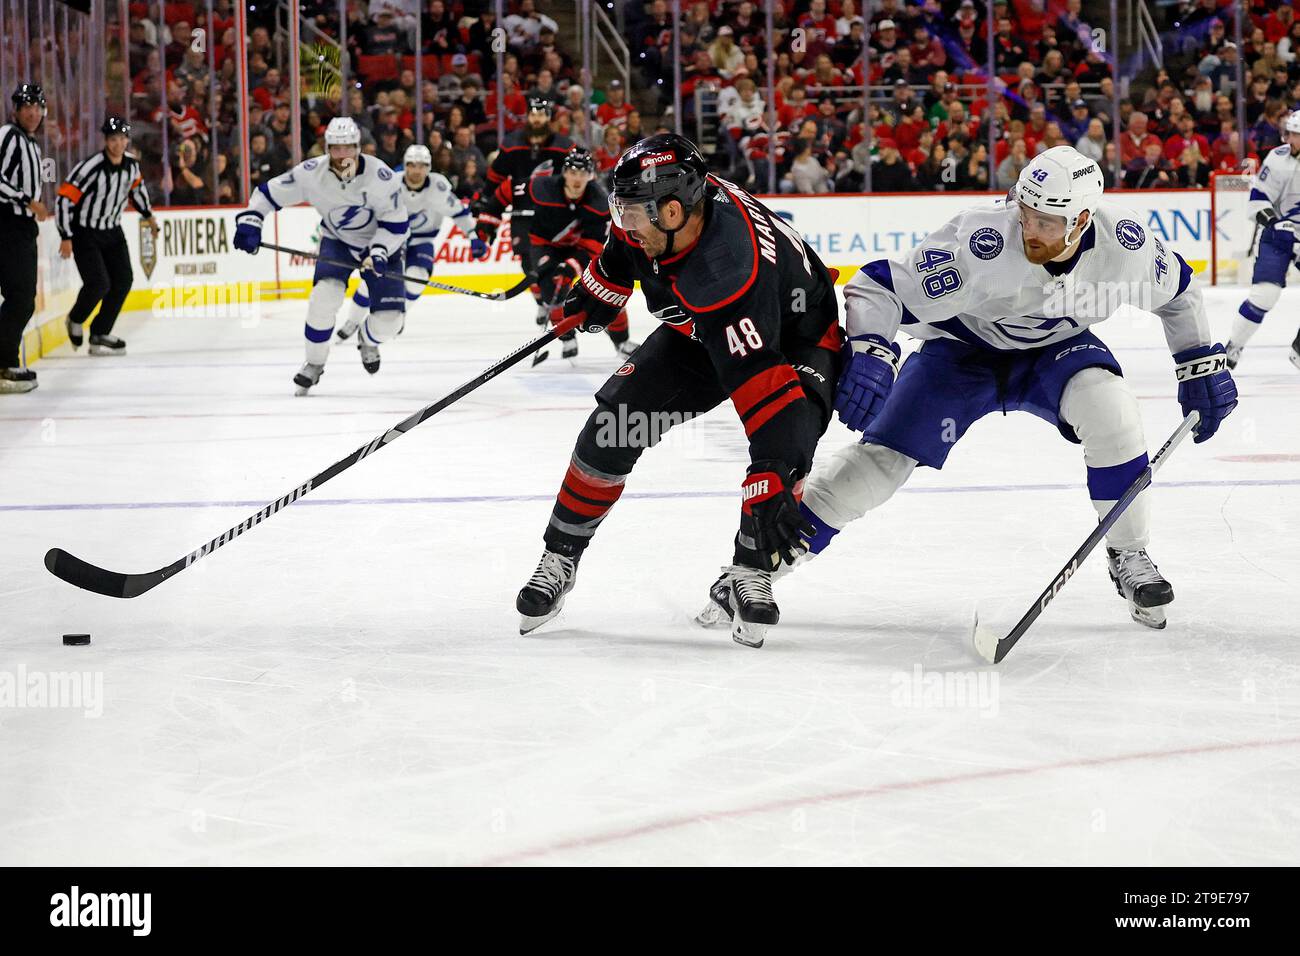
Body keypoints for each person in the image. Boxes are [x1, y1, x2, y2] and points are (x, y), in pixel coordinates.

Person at [766, 146, 1237, 633]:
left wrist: (1199, 363)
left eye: (1046, 222)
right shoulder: (981, 240)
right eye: (1026, 213)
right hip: (961, 353)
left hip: (1056, 352)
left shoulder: (1124, 246)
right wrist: (872, 351)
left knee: (1112, 411)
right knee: (880, 463)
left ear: (1081, 220)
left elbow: (1179, 293)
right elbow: (879, 285)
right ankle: (763, 561)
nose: (1030, 230)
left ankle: (1128, 552)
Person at [514, 135, 843, 647]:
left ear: (674, 210)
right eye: (621, 211)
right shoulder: (653, 217)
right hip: (702, 326)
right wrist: (594, 297)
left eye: (634, 216)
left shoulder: (726, 263)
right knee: (613, 425)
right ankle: (560, 555)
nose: (626, 225)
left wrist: (779, 467)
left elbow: (762, 390)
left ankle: (749, 570)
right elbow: (619, 260)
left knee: (781, 454)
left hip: (793, 338)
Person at [233, 117, 409, 394]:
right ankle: (314, 364)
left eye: (348, 147)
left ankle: (367, 338)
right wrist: (251, 220)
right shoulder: (311, 173)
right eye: (336, 148)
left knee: (390, 322)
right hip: (337, 241)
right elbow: (267, 194)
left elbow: (397, 225)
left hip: (381, 245)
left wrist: (378, 251)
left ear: (358, 147)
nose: (342, 155)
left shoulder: (381, 177)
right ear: (327, 148)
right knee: (322, 300)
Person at [335, 143, 488, 346]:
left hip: (422, 240)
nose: (417, 170)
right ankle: (352, 321)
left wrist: (472, 235)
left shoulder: (439, 187)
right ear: (405, 166)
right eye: (412, 165)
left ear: (429, 167)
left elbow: (459, 212)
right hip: (393, 241)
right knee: (370, 281)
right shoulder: (391, 184)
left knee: (418, 278)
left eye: (422, 165)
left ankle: (399, 314)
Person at [55, 117, 159, 356]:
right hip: (86, 232)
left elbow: (137, 191)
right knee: (99, 283)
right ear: (106, 141)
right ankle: (75, 318)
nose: (119, 144)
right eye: (114, 139)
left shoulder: (131, 166)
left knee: (123, 280)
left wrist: (149, 217)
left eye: (123, 139)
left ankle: (100, 332)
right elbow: (64, 198)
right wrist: (66, 235)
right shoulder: (90, 167)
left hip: (113, 230)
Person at [471, 98, 574, 328]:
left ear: (549, 118)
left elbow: (577, 180)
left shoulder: (564, 146)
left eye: (542, 114)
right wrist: (485, 201)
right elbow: (496, 178)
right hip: (521, 215)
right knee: (529, 266)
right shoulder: (511, 143)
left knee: (551, 267)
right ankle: (543, 302)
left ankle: (554, 305)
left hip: (553, 216)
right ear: (527, 116)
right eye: (534, 114)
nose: (538, 119)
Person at [526, 147, 635, 361]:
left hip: (580, 250)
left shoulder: (599, 201)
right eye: (573, 172)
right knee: (552, 286)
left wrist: (572, 265)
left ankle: (621, 342)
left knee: (606, 290)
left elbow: (593, 245)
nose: (577, 179)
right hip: (546, 246)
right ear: (564, 172)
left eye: (583, 173)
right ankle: (567, 338)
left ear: (590, 175)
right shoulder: (543, 188)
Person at [1228, 109, 1300, 369]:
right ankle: (1233, 346)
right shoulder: (1278, 159)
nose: (1292, 139)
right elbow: (1258, 200)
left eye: (1297, 134)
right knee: (1265, 294)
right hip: (1278, 236)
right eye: (1291, 133)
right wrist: (1275, 222)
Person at [0, 84, 48, 393]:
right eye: (26, 106)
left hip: (22, 227)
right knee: (20, 298)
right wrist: (27, 201)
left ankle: (5, 361)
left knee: (22, 298)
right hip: (7, 224)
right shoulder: (8, 136)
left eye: (37, 106)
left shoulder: (31, 144)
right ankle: (5, 364)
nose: (33, 112)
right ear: (16, 110)